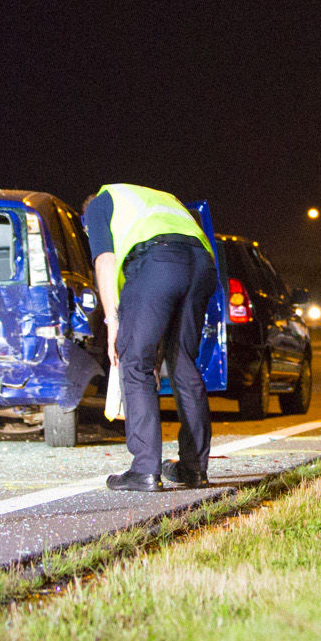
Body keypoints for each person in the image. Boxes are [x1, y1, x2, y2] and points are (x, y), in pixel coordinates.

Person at [83, 184, 218, 492]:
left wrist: (112, 322)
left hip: (157, 260)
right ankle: (194, 469)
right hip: (201, 264)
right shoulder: (157, 200)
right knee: (183, 363)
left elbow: (104, 262)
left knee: (134, 363)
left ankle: (144, 469)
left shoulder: (98, 205)